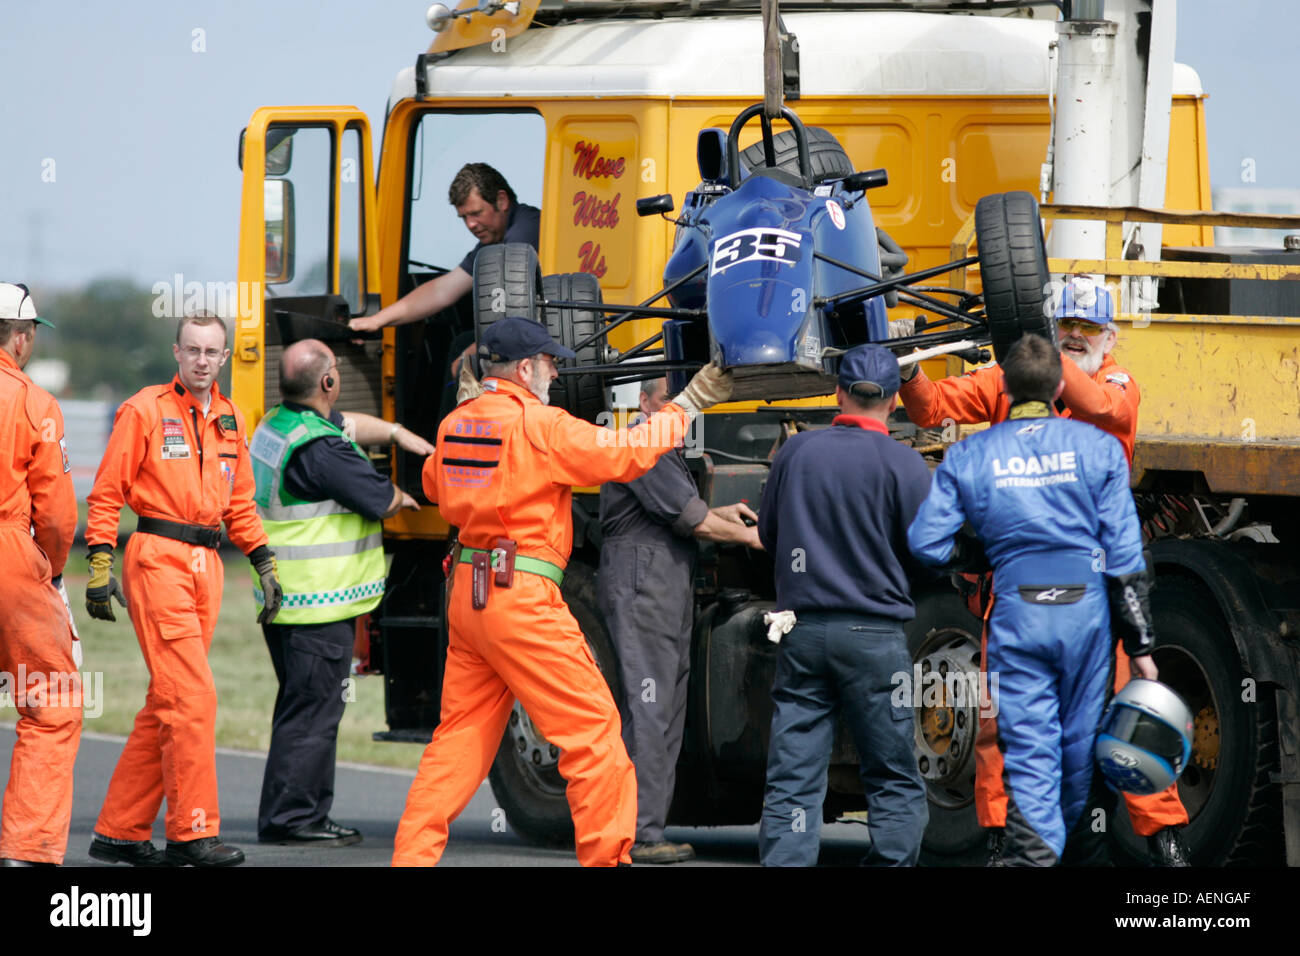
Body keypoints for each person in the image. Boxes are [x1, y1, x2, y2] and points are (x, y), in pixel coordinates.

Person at [392, 316, 734, 867]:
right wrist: (688, 404)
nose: (556, 370)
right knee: (595, 735)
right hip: (521, 597)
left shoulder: (459, 424)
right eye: (550, 362)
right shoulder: (542, 425)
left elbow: (434, 483)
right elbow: (626, 454)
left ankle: (410, 860)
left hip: (469, 594)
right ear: (525, 369)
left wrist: (467, 419)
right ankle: (607, 859)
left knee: (458, 740)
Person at [898, 275, 1190, 865]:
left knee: (1131, 712)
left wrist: (1043, 362)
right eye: (1065, 327)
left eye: (1086, 329)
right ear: (1048, 329)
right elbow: (931, 409)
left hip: (1093, 586)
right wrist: (908, 370)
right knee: (997, 719)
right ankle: (1004, 837)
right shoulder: (1007, 382)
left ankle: (1166, 839)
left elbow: (1099, 404)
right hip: (1018, 583)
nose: (1075, 337)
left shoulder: (1116, 384)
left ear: (1109, 338)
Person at [85, 312, 283, 868]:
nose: (201, 359)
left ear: (224, 359)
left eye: (211, 351)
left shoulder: (230, 418)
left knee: (167, 701)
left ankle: (120, 832)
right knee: (194, 699)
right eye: (191, 349)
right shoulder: (143, 410)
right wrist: (100, 563)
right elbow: (106, 494)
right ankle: (193, 832)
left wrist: (264, 563)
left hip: (208, 565)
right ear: (177, 352)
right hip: (157, 558)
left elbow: (241, 502)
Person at [250, 339, 431, 846]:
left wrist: (396, 432)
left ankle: (297, 812)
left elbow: (346, 423)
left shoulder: (278, 425)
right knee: (313, 712)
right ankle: (293, 820)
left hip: (286, 600)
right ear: (328, 382)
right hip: (317, 603)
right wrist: (404, 495)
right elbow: (380, 499)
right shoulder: (321, 449)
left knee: (301, 707)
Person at [756, 344, 930, 867]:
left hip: (803, 632)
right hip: (876, 639)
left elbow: (768, 534)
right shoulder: (907, 464)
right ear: (895, 401)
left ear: (838, 392)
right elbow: (931, 552)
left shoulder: (795, 452)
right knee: (893, 773)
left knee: (794, 776)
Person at [597, 376, 762, 865]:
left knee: (662, 705)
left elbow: (690, 512)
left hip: (660, 586)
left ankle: (637, 825)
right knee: (651, 706)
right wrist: (755, 539)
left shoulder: (661, 446)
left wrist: (727, 514)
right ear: (645, 403)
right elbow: (696, 522)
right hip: (645, 586)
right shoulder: (643, 441)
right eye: (666, 398)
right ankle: (639, 833)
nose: (673, 407)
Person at [0, 282, 81, 867]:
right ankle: (27, 850)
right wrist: (49, 569)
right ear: (22, 338)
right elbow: (55, 514)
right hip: (10, 557)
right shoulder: (34, 403)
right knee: (51, 699)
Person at [349, 163, 540, 334]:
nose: (471, 224)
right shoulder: (491, 244)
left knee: (464, 352)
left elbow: (516, 314)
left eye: (476, 213)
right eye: (464, 217)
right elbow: (442, 290)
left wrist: (476, 349)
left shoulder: (523, 235)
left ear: (501, 200)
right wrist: (376, 320)